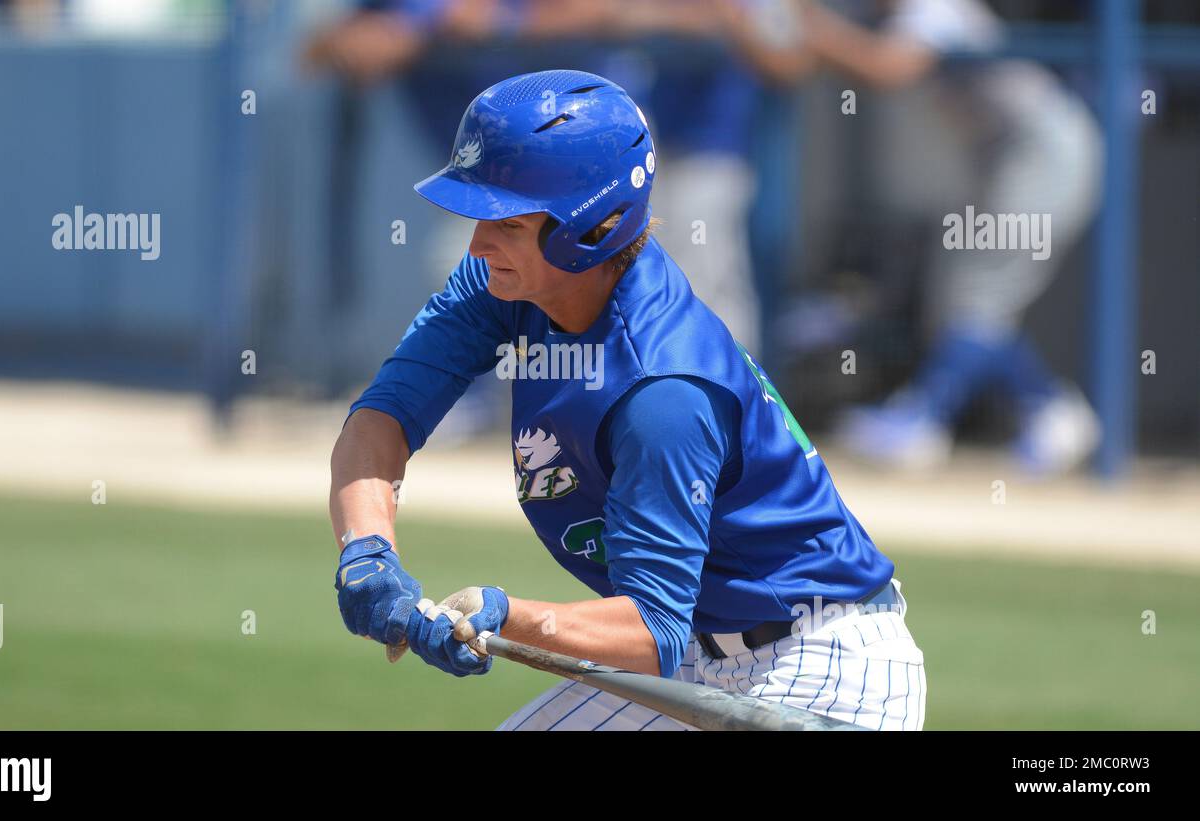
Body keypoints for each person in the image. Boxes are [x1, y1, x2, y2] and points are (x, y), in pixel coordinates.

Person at [329, 70, 925, 731]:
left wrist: (506, 614)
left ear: (589, 228)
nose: (478, 243)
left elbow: (652, 631)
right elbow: (381, 420)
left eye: (508, 221)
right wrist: (366, 546)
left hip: (820, 664)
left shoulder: (662, 391)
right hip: (697, 654)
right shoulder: (509, 285)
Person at [800, 0, 1104, 474]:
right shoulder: (893, 17)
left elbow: (887, 68)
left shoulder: (935, 8)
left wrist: (810, 27)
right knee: (964, 297)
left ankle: (924, 417)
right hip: (1007, 156)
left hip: (1041, 151)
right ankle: (1048, 407)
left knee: (974, 292)